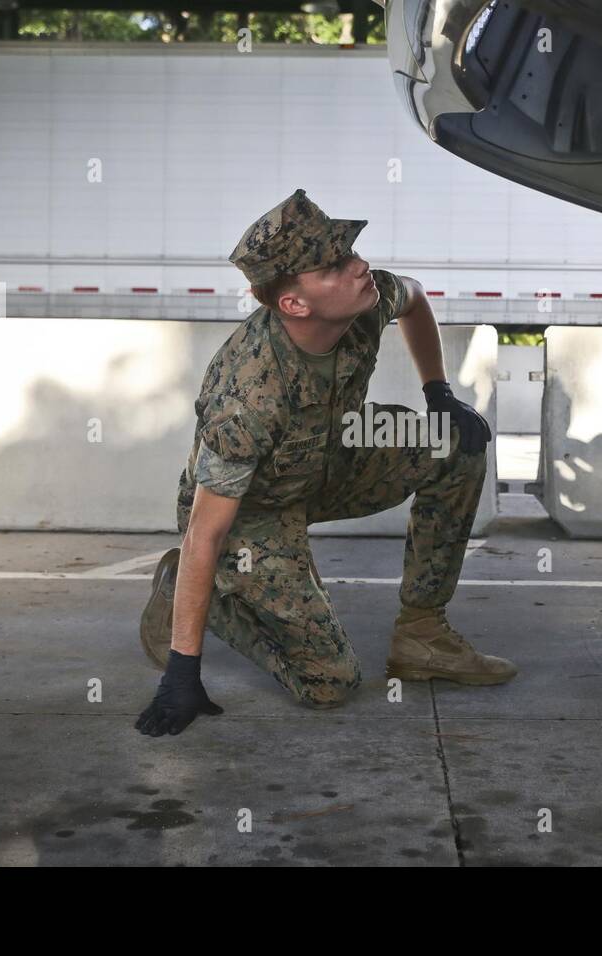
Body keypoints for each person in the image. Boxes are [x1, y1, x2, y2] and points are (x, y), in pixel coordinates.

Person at [135, 188, 517, 738]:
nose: (359, 265)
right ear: (294, 303)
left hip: (334, 459)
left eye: (351, 252)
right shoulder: (247, 394)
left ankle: (423, 635)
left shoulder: (365, 296)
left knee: (454, 442)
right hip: (254, 513)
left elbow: (413, 296)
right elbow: (204, 532)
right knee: (328, 684)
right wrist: (182, 669)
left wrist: (438, 393)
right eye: (335, 264)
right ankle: (189, 598)